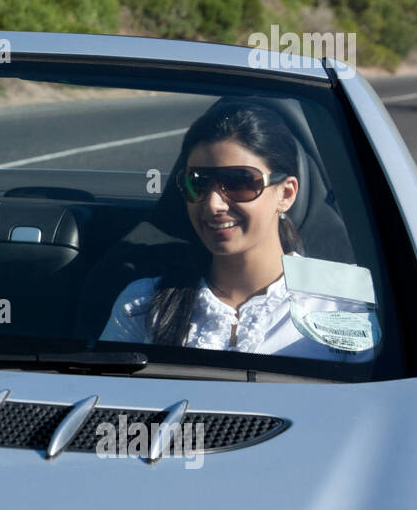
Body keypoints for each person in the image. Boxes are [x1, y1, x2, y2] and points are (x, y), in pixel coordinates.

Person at [99, 98, 373, 359]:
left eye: (240, 182)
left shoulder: (346, 303)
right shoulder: (143, 304)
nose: (213, 204)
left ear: (286, 194)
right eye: (197, 183)